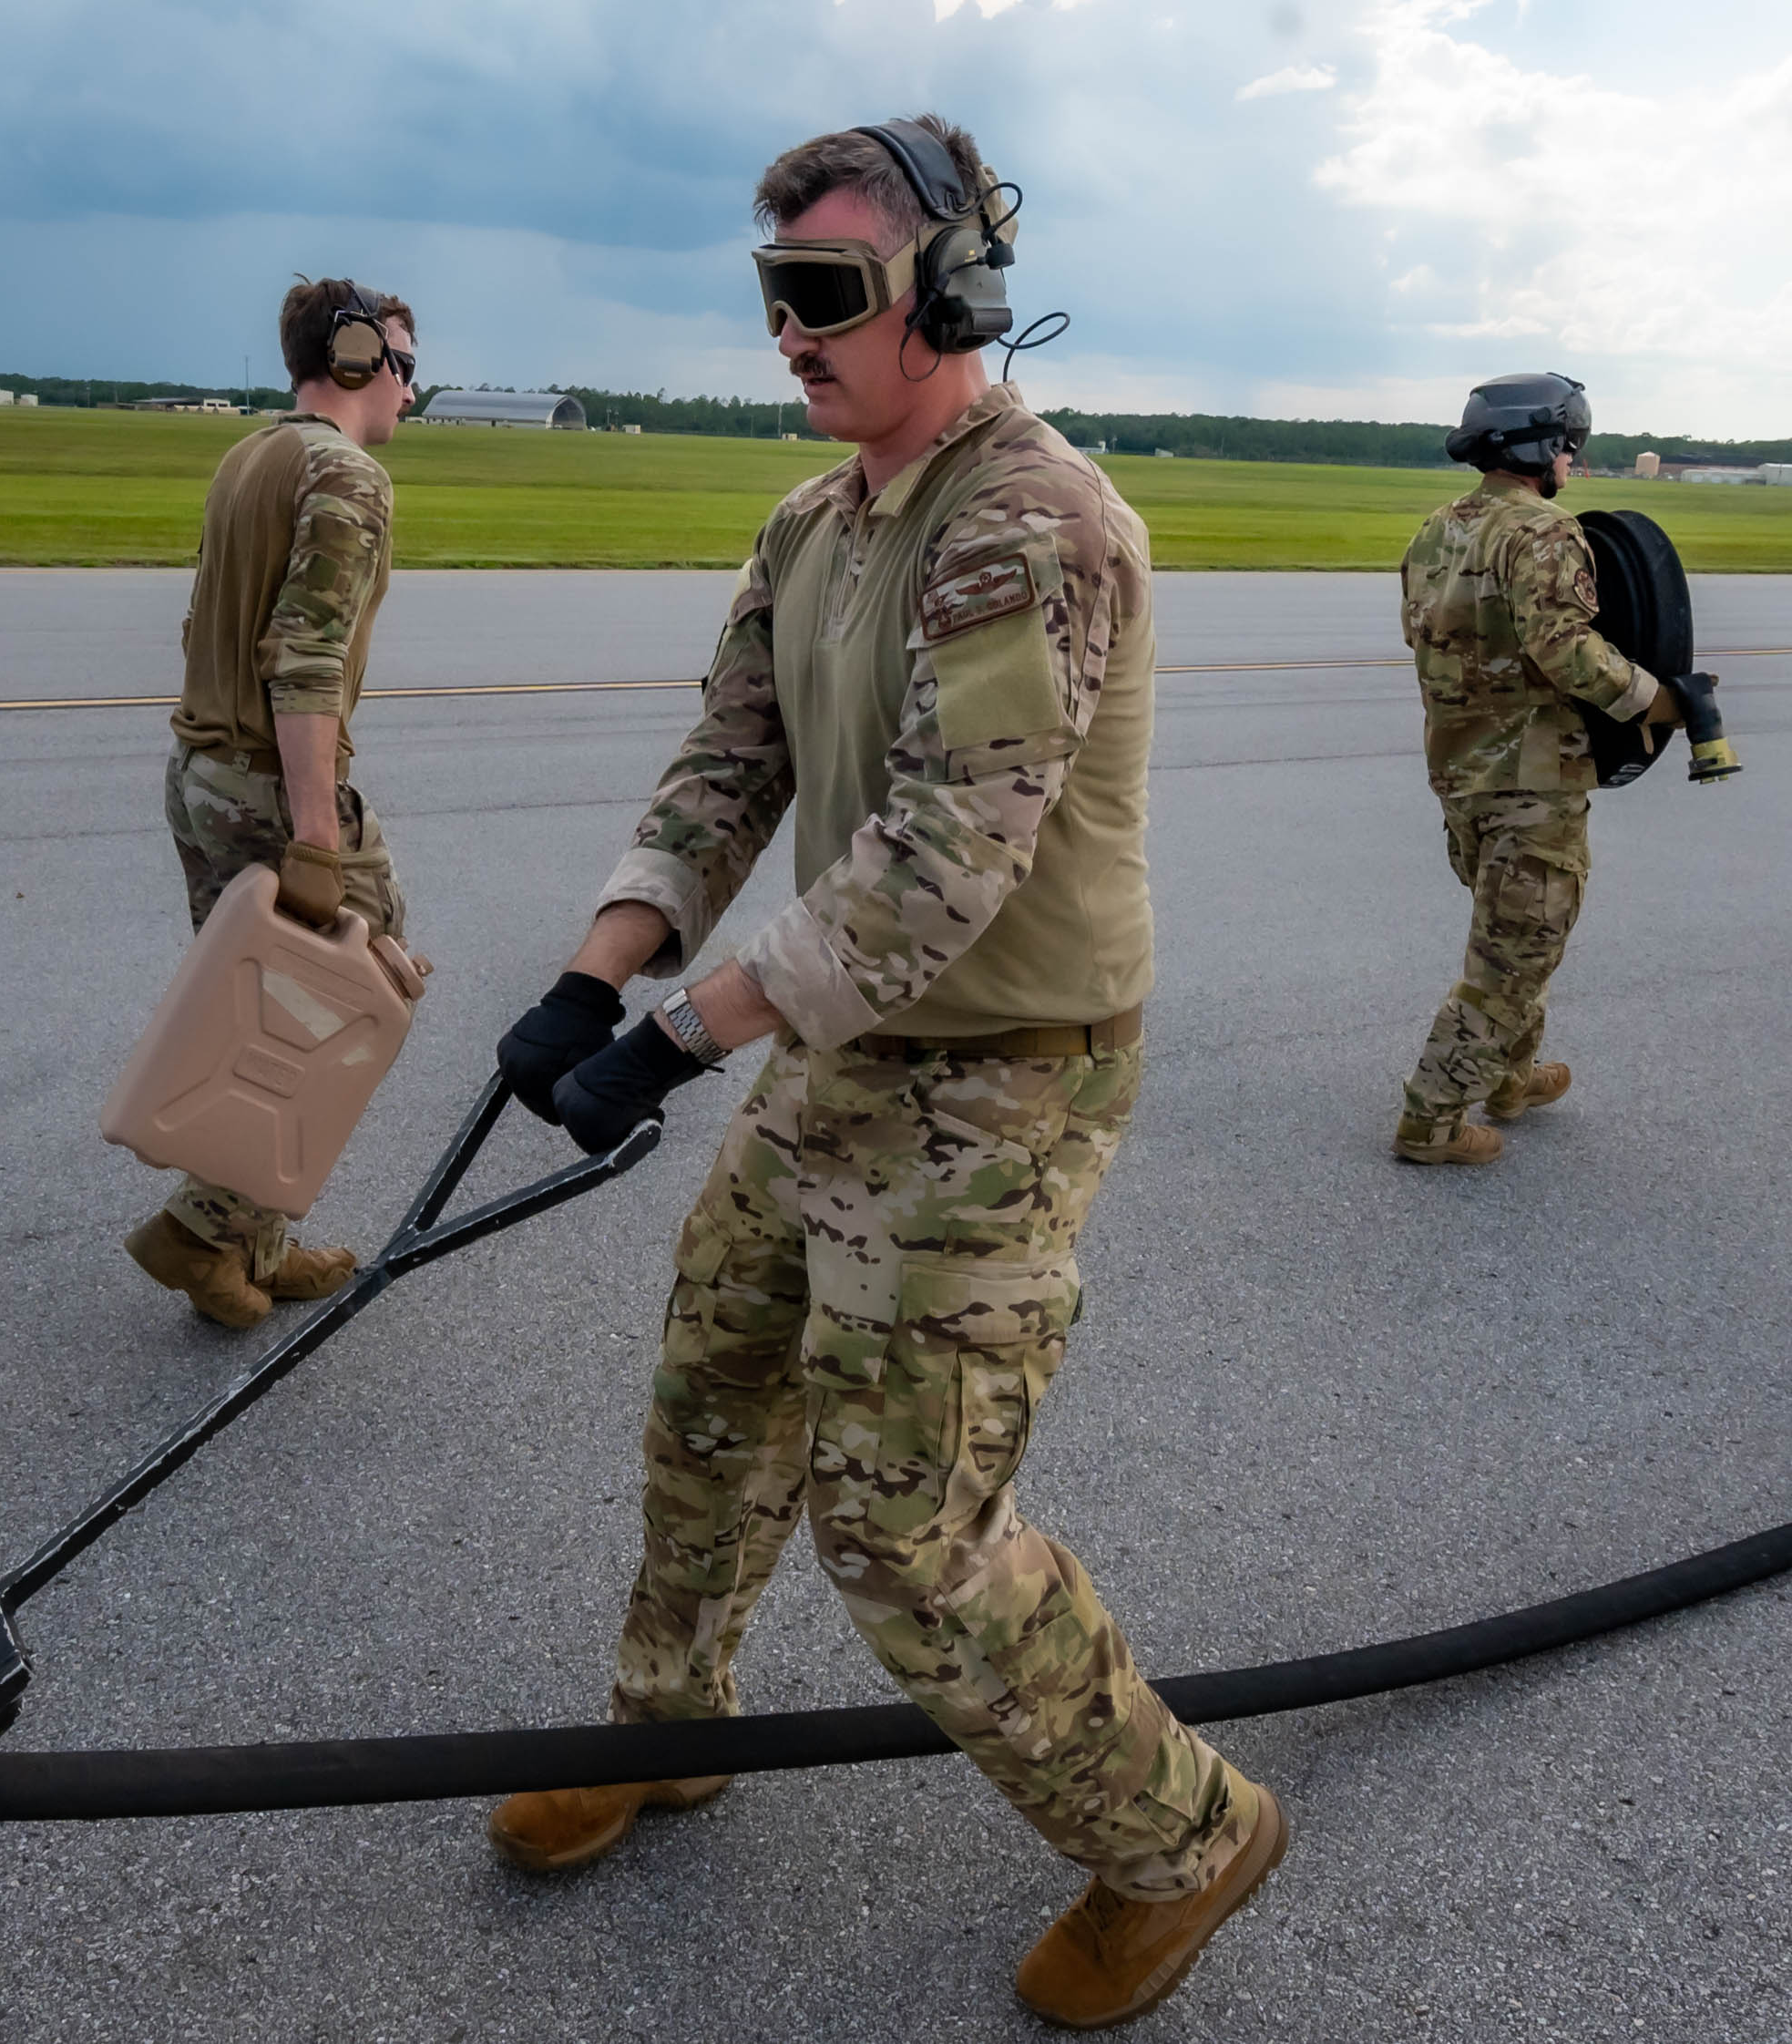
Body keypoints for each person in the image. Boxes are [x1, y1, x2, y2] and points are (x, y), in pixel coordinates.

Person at [488, 117, 1286, 2029]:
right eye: (770, 294)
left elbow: (936, 867)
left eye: (825, 291)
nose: (788, 331)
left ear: (951, 292)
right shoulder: (815, 521)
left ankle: (1183, 1832)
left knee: (902, 1529)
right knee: (713, 1387)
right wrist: (594, 968)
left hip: (999, 1081)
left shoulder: (1027, 524)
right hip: (835, 1039)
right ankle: (671, 1722)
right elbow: (725, 767)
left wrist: (676, 1039)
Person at [124, 276, 420, 1324]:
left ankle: (250, 1246)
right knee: (351, 990)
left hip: (198, 775)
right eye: (406, 367)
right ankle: (204, 1225)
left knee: (258, 1009)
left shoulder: (251, 451)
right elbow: (303, 660)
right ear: (355, 357)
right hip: (267, 782)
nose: (409, 396)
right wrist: (314, 838)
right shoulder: (346, 477)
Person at [1393, 372, 1680, 1166]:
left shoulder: (1437, 530)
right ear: (1542, 448)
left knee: (1517, 933)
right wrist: (1657, 701)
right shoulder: (1544, 533)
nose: (1572, 464)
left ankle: (1510, 1080)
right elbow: (1569, 653)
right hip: (1532, 776)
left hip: (1460, 772)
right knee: (1515, 955)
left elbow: (1429, 641)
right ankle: (1431, 1117)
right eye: (1569, 448)